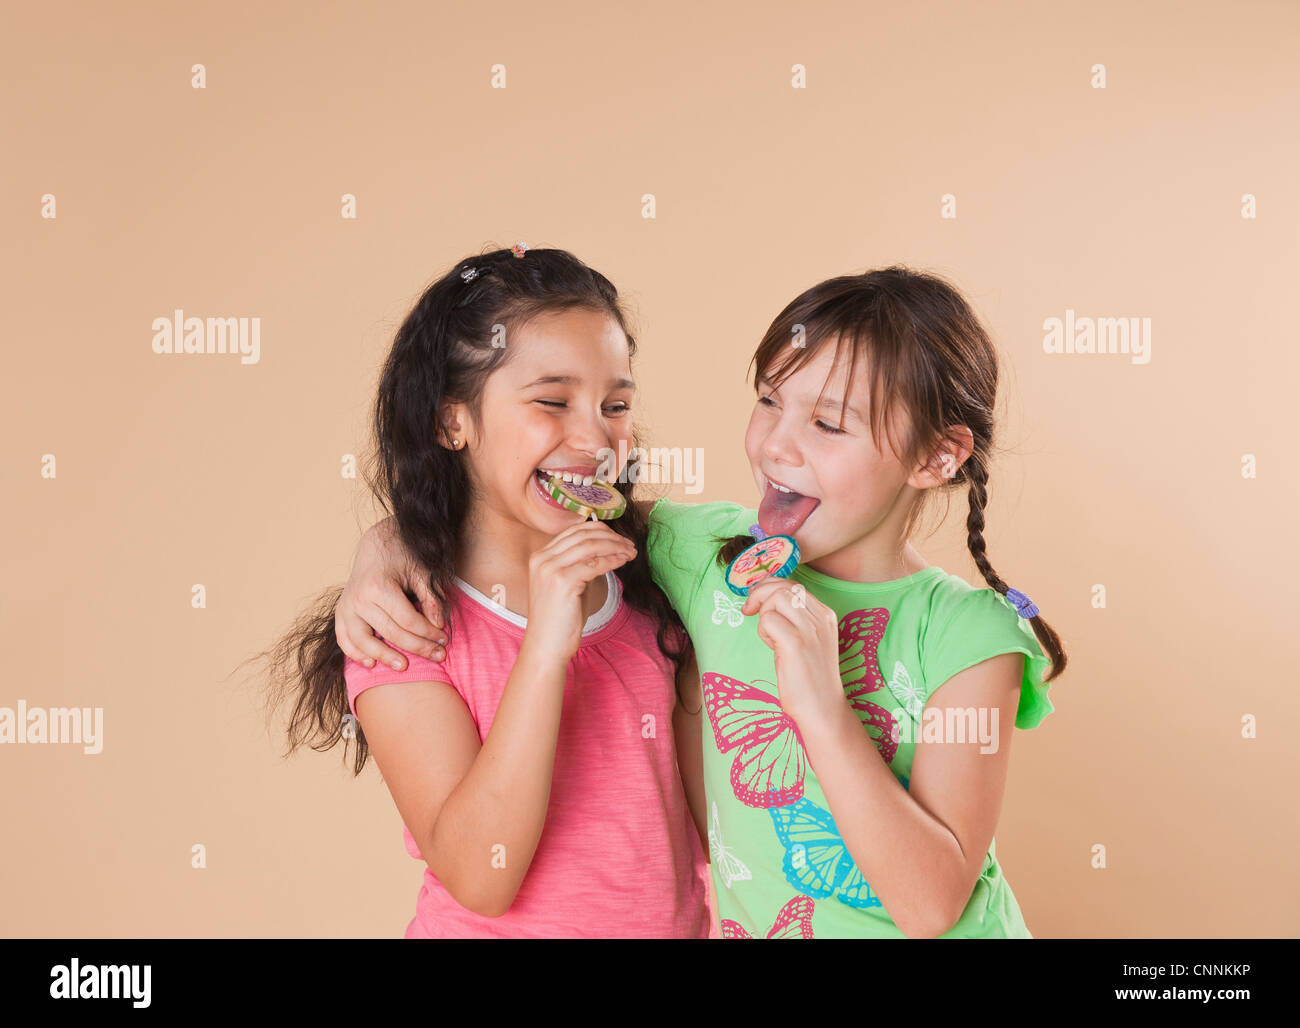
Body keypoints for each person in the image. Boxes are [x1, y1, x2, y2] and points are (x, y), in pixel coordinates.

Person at [334, 265, 1069, 938]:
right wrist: (390, 540)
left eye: (828, 423)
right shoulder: (708, 558)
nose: (777, 446)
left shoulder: (969, 634)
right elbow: (524, 513)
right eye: (770, 402)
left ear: (939, 455)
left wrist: (820, 706)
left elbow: (931, 904)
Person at [261, 245, 710, 938]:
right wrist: (543, 649)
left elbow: (714, 835)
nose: (595, 438)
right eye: (552, 401)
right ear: (453, 421)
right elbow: (480, 876)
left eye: (614, 404)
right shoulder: (404, 625)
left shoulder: (660, 574)